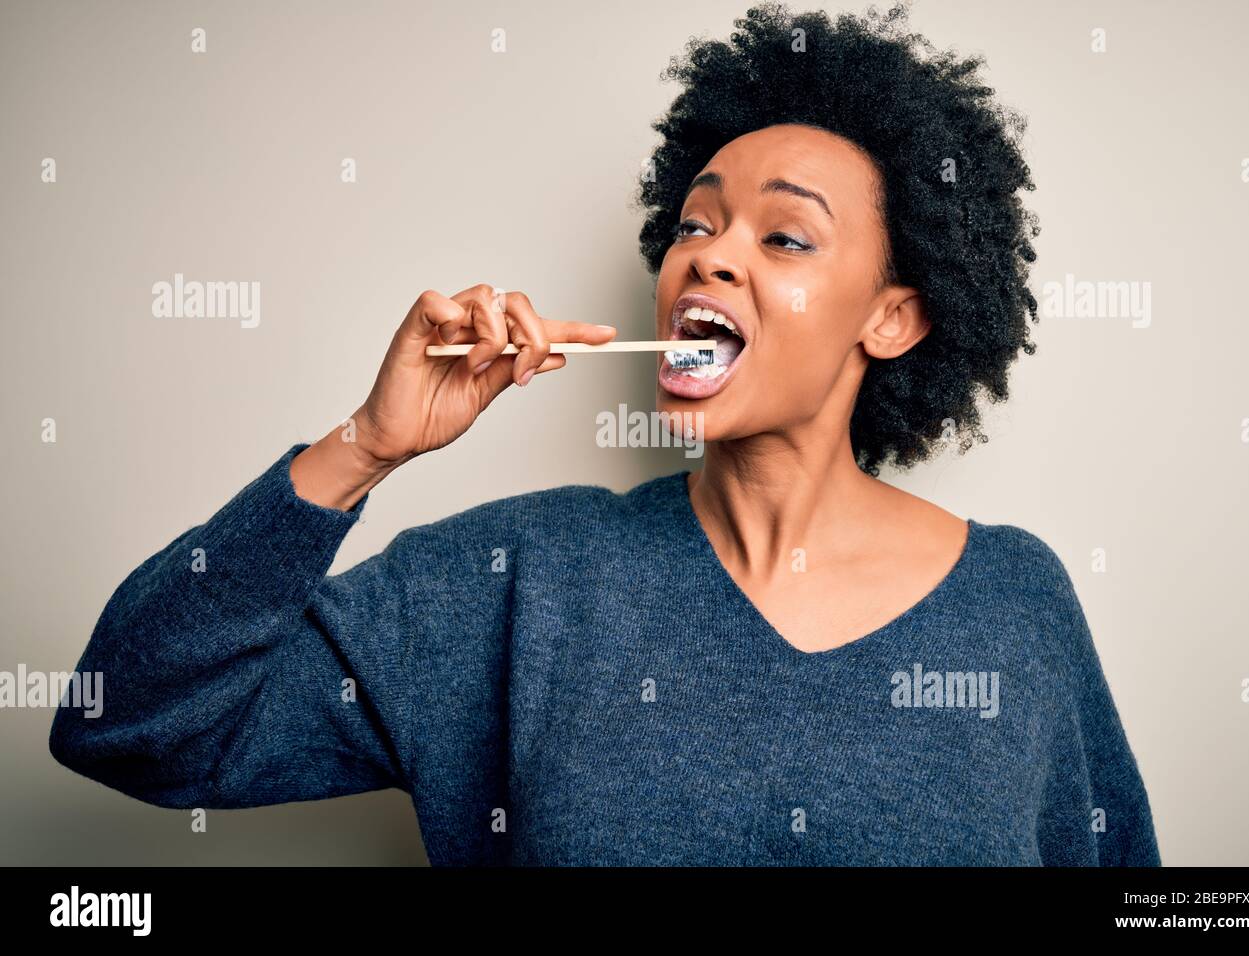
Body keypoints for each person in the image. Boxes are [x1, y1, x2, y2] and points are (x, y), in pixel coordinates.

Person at [49, 2, 1160, 866]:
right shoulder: (519, 580)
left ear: (894, 316)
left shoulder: (1014, 602)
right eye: (695, 224)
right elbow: (131, 727)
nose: (708, 256)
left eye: (784, 237)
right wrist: (366, 445)